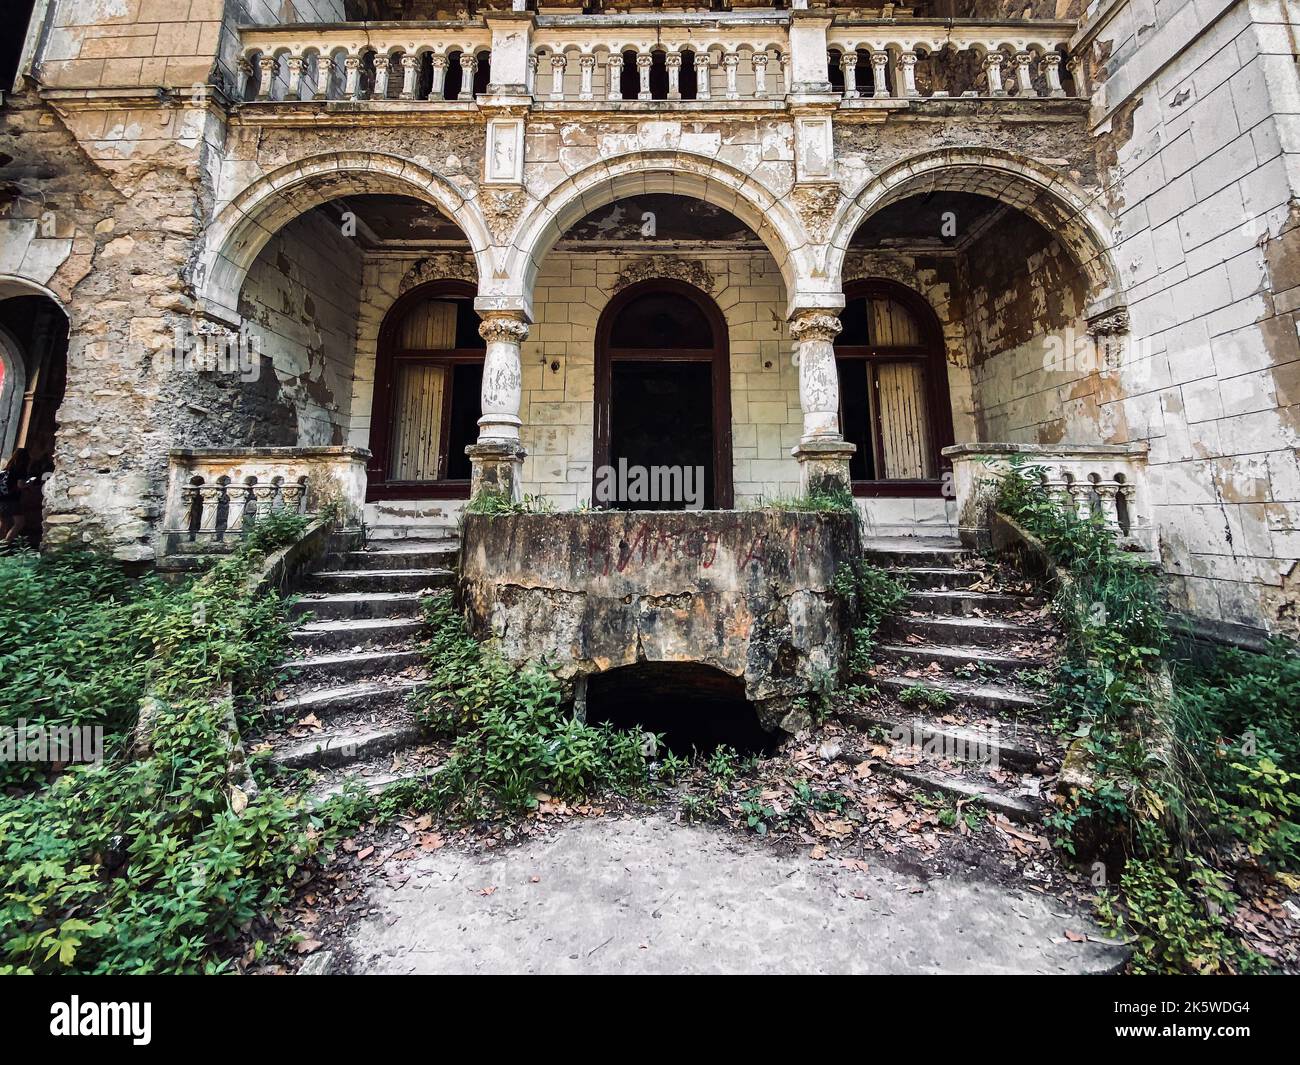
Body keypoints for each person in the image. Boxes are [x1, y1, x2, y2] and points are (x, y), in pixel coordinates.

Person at [0, 447, 30, 544]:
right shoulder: (21, 469)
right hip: (12, 500)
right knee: (19, 523)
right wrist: (29, 484)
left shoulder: (6, 469)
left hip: (2, 499)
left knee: (4, 523)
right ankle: (5, 545)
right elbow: (20, 485)